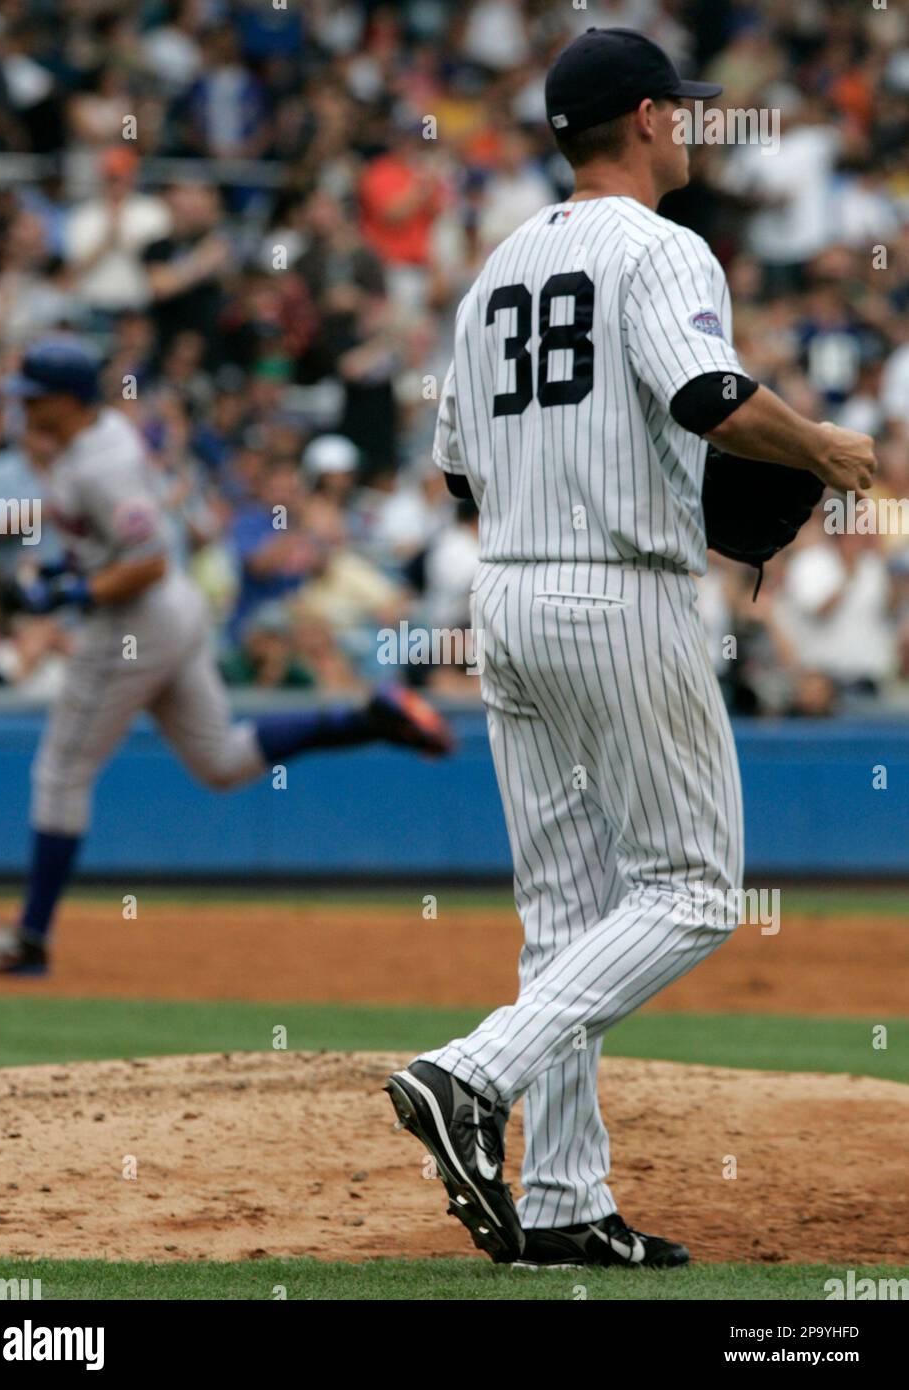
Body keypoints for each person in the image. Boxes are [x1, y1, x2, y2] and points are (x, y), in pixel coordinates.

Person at [384, 27, 876, 1270]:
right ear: (649, 119)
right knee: (695, 886)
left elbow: (452, 470)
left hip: (504, 596)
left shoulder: (494, 264)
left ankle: (560, 1199)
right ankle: (467, 1071)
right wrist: (817, 443)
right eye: (685, 111)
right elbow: (704, 395)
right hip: (622, 595)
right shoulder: (661, 247)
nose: (694, 128)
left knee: (563, 915)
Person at [0, 337, 454, 978]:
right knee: (220, 761)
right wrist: (61, 572)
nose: (23, 407)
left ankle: (30, 938)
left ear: (64, 399)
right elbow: (113, 547)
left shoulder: (98, 462)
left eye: (34, 397)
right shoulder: (95, 438)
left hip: (138, 622)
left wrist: (73, 590)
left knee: (59, 773)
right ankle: (368, 718)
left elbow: (149, 560)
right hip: (172, 615)